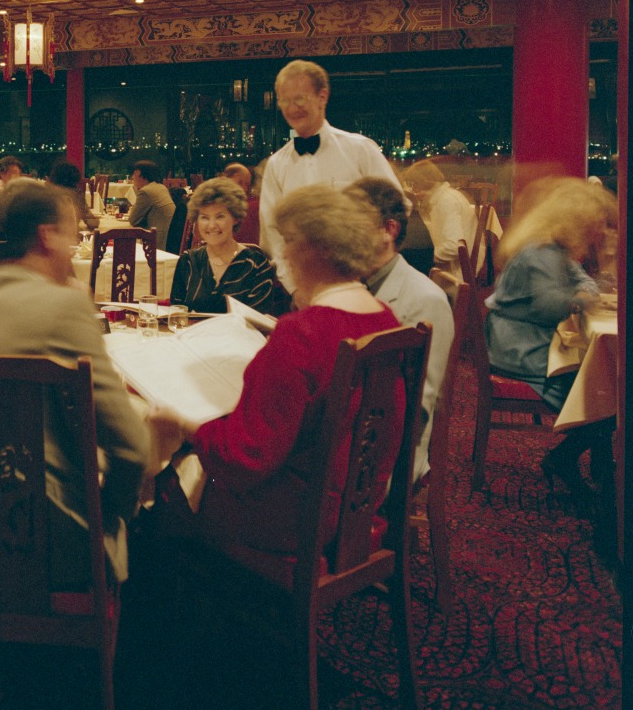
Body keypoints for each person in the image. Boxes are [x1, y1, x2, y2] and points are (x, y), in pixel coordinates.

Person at [0, 180, 150, 589]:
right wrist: (111, 516)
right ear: (46, 235)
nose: (73, 249)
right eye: (71, 237)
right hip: (56, 547)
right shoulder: (66, 308)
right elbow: (130, 447)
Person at [148, 184, 404, 556]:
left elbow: (245, 457)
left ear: (318, 249)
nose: (283, 252)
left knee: (160, 482)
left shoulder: (303, 332)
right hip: (357, 505)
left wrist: (183, 424)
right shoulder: (386, 318)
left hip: (290, 518)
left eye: (289, 241)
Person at [485, 177, 615, 501]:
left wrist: (582, 293)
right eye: (593, 226)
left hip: (526, 338)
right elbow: (550, 306)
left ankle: (595, 466)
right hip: (519, 346)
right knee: (600, 393)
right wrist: (581, 298)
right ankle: (567, 460)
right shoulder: (540, 253)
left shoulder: (553, 249)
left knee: (600, 384)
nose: (597, 234)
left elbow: (584, 281)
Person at [259, 59, 402, 293]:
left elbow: (396, 210)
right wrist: (296, 288)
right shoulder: (276, 165)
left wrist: (370, 271)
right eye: (285, 101)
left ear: (322, 97)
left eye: (300, 99)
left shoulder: (359, 149)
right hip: (305, 288)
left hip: (365, 283)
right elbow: (271, 234)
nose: (292, 108)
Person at [349, 177, 454, 481]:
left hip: (386, 455)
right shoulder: (352, 281)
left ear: (389, 230)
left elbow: (418, 407)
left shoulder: (425, 300)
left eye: (354, 226)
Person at [169, 177, 274, 314]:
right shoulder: (188, 261)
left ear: (236, 218)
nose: (212, 225)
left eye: (220, 216)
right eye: (205, 217)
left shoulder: (256, 265)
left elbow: (257, 321)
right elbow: (176, 315)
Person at [402, 160, 477, 288]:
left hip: (455, 273)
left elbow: (454, 247)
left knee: (407, 265)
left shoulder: (446, 201)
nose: (413, 189)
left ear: (427, 181)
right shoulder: (443, 197)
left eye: (414, 184)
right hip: (453, 266)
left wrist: (425, 255)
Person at [128, 160, 175, 251]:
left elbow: (133, 220)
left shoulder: (146, 191)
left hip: (158, 241)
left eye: (135, 174)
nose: (132, 177)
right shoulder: (161, 187)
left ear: (144, 177)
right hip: (171, 237)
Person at [47, 159, 99, 231]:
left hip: (49, 235)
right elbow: (92, 222)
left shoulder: (48, 194)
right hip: (72, 235)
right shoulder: (77, 194)